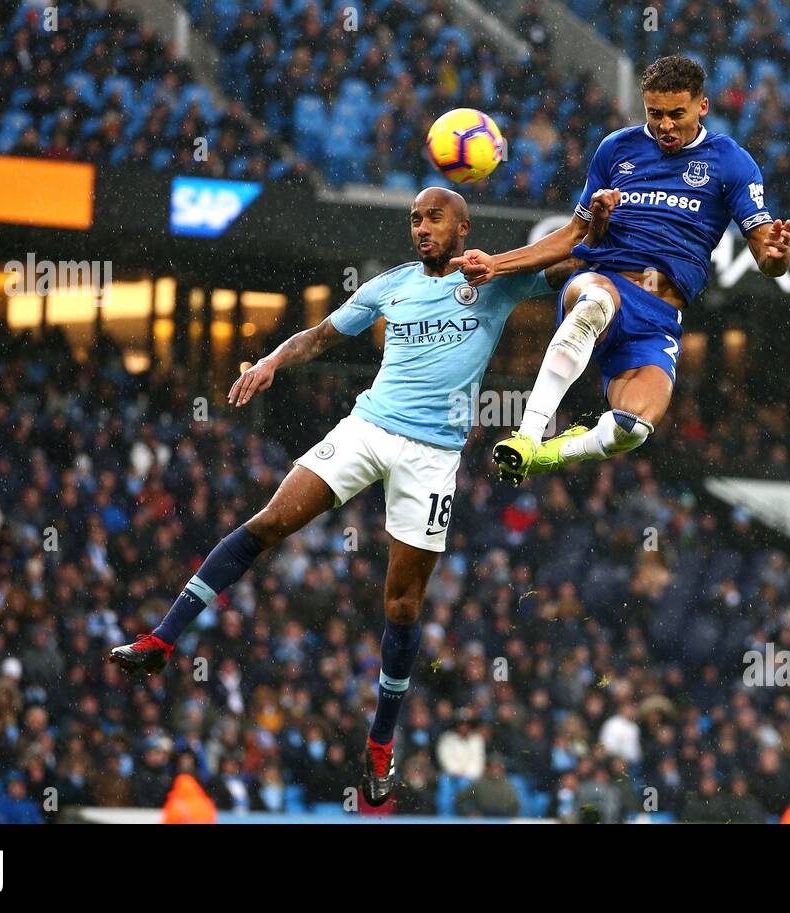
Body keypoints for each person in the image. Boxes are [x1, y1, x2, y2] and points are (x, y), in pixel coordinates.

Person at [110, 187, 604, 806]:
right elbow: (318, 336)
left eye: (435, 219)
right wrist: (269, 361)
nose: (422, 228)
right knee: (268, 523)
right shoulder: (389, 285)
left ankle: (380, 743)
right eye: (416, 220)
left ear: (462, 226)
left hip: (432, 459)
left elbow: (571, 263)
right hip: (367, 429)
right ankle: (160, 640)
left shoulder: (494, 279)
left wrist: (597, 223)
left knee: (401, 604)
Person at [450, 55, 790, 484]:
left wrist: (777, 256)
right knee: (592, 302)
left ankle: (546, 456)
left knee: (632, 429)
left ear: (702, 107)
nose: (664, 125)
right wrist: (496, 264)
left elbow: (768, 258)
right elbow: (573, 234)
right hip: (607, 280)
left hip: (658, 319)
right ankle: (527, 434)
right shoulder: (617, 148)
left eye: (676, 114)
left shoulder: (731, 163)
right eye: (655, 114)